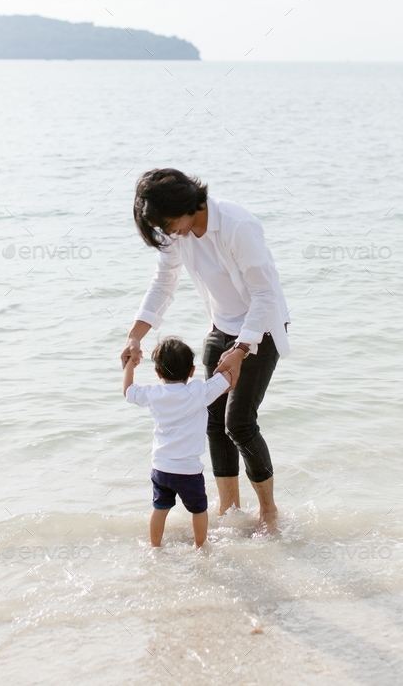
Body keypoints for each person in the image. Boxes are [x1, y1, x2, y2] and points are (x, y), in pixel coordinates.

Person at [120, 168, 291, 530]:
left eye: (168, 222)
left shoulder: (236, 225)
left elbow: (265, 294)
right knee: (213, 422)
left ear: (187, 205)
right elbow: (164, 284)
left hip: (261, 328)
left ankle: (269, 513)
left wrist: (242, 347)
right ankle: (229, 509)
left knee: (239, 424)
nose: (168, 232)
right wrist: (136, 335)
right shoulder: (176, 234)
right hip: (222, 327)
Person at [123, 336, 231, 548]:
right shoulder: (199, 391)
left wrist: (130, 364)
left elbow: (128, 391)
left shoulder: (154, 394)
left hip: (161, 468)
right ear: (191, 371)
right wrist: (231, 356)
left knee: (160, 508)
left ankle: (155, 547)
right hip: (189, 470)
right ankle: (200, 547)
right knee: (198, 509)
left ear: (158, 373)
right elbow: (227, 378)